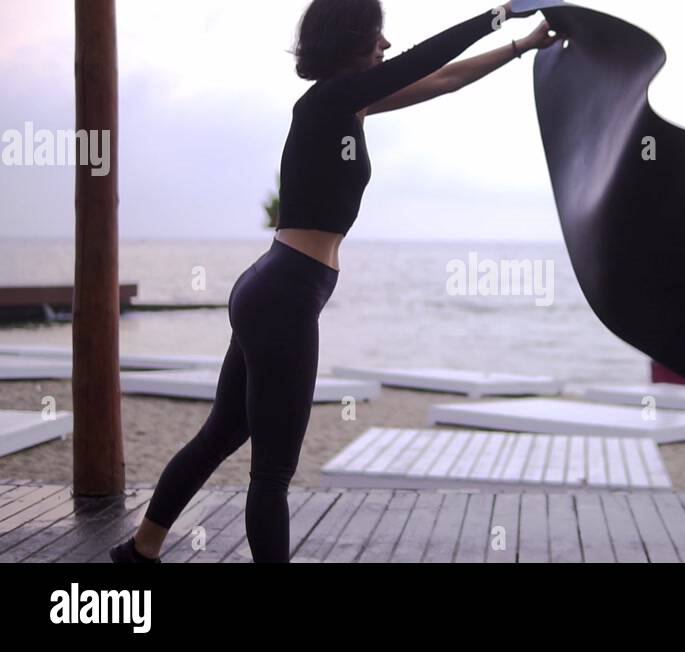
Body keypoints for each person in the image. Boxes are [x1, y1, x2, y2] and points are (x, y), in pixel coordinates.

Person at [110, 0, 562, 564]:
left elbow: (442, 78)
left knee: (222, 434)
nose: (387, 47)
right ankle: (150, 549)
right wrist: (502, 13)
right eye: (378, 38)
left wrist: (523, 44)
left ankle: (141, 550)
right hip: (283, 297)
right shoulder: (329, 100)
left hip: (274, 288)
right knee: (272, 472)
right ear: (351, 44)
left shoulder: (345, 106)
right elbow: (426, 58)